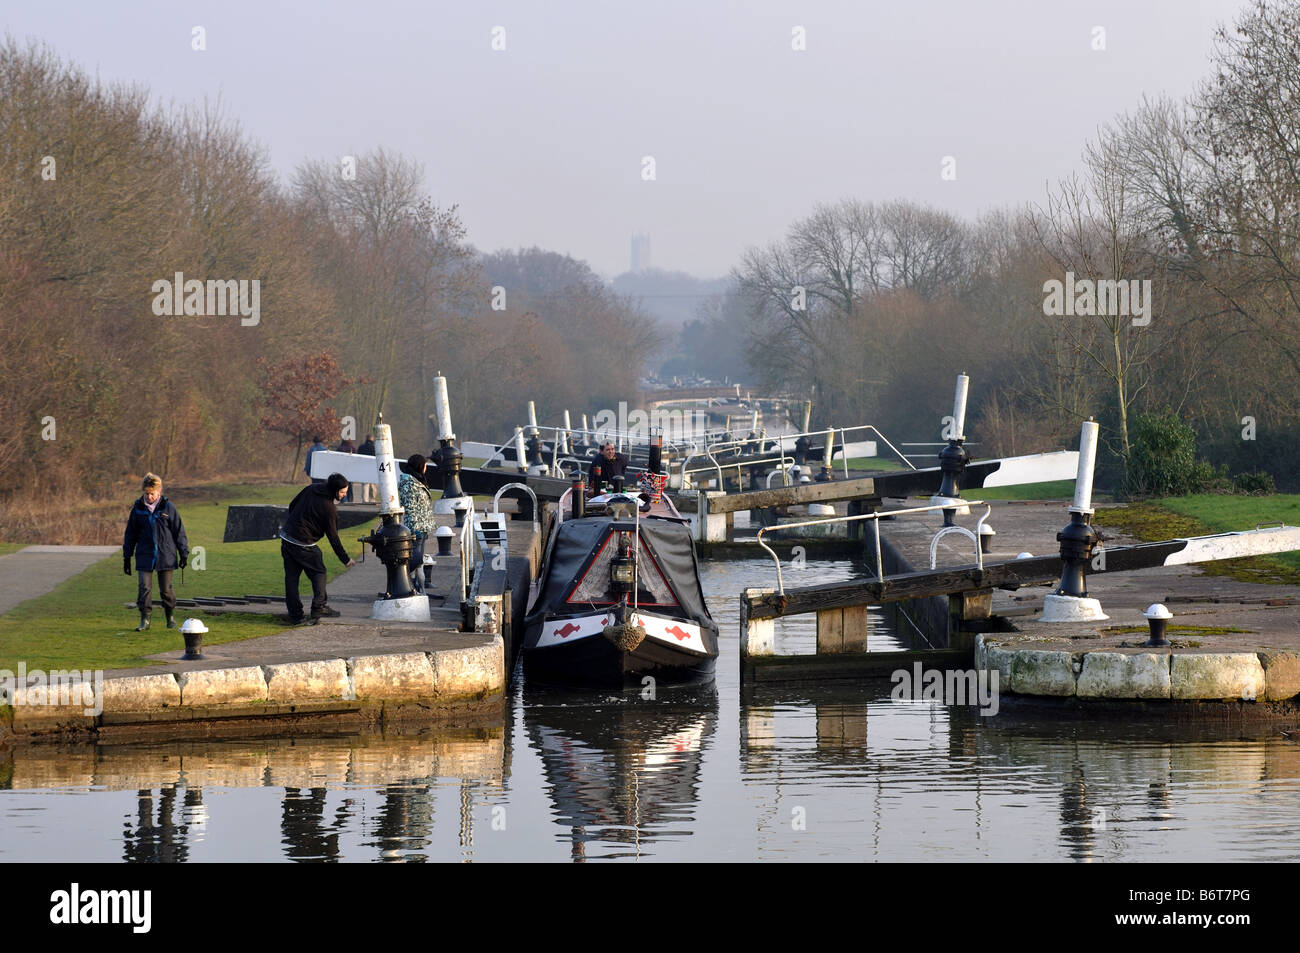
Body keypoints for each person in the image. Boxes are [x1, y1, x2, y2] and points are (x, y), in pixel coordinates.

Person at [280, 473, 357, 624]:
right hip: (304, 543)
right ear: (335, 491)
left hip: (287, 537)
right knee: (319, 572)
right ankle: (319, 607)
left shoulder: (311, 488)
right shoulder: (329, 508)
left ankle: (296, 616)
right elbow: (333, 537)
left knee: (291, 578)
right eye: (342, 492)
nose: (344, 495)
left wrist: (295, 523)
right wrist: (345, 559)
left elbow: (292, 504)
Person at [123, 473, 189, 631]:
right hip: (145, 554)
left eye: (152, 493)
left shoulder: (168, 507)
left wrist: (184, 553)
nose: (149, 496)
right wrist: (127, 556)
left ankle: (170, 617)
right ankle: (145, 620)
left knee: (166, 589)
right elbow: (130, 534)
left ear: (159, 492)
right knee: (144, 587)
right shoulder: (138, 509)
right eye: (146, 493)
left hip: (166, 554)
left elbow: (179, 532)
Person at [397, 454, 435, 594]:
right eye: (425, 465)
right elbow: (410, 507)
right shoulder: (410, 484)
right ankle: (408, 586)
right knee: (415, 560)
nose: (426, 468)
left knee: (418, 561)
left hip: (422, 526)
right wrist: (414, 529)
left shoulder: (417, 481)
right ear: (420, 466)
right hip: (416, 528)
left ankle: (416, 588)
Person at [335, 436, 357, 502]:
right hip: (350, 469)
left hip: (342, 469)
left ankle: (343, 500)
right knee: (350, 486)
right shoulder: (353, 448)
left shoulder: (340, 448)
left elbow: (336, 459)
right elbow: (356, 459)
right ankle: (350, 500)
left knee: (342, 485)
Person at [357, 433, 376, 503]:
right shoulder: (375, 447)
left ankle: (365, 500)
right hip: (372, 468)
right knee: (373, 484)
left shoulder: (361, 447)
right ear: (372, 439)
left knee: (365, 485)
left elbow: (358, 457)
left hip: (363, 467)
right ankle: (372, 499)